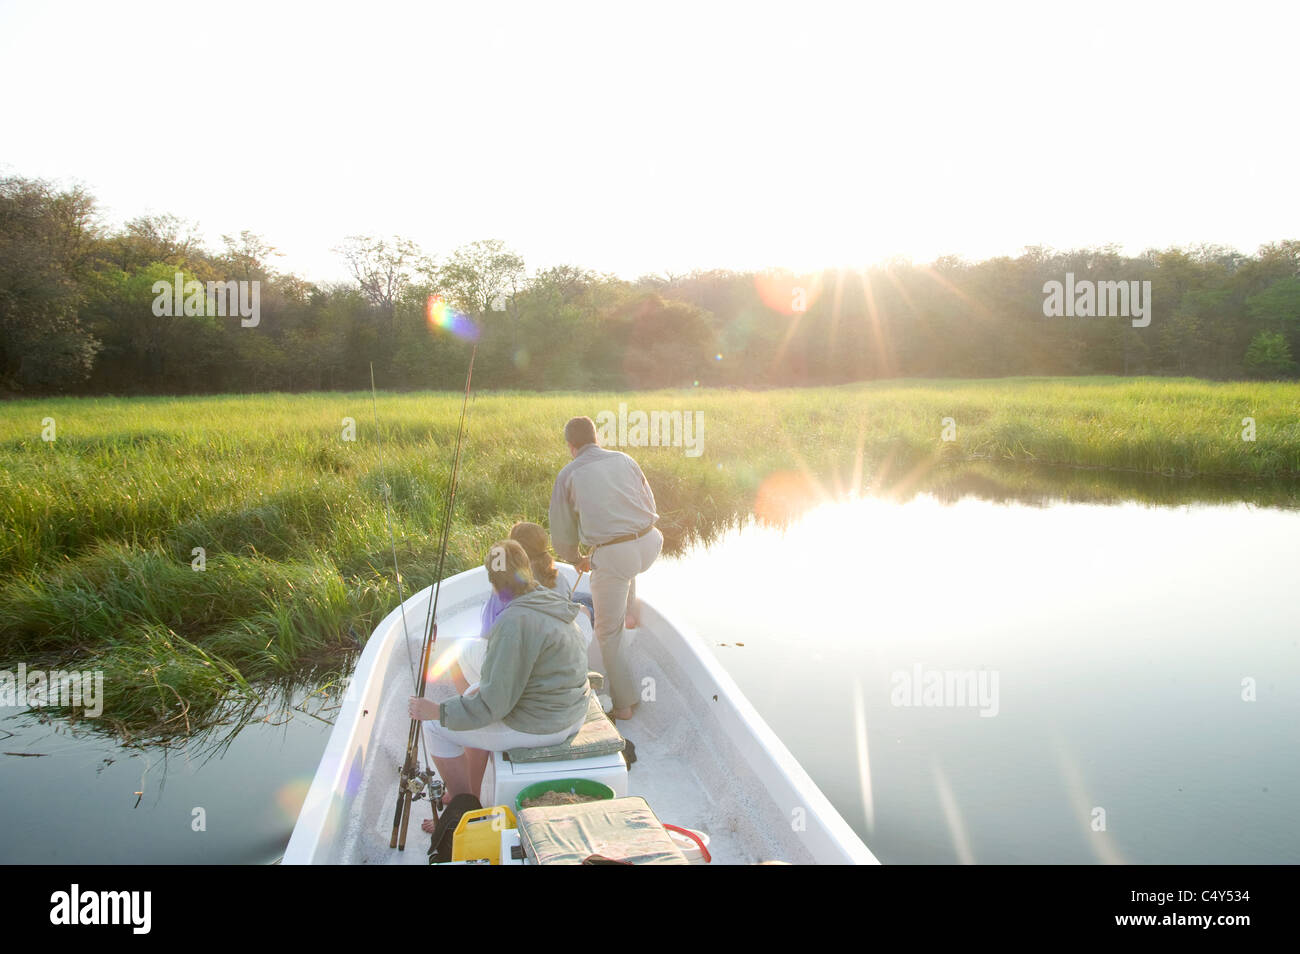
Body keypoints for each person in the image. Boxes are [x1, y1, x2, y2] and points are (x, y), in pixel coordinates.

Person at [408, 539, 590, 815]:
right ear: (526, 568)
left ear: (492, 580)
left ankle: (465, 808)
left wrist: (437, 711)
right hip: (573, 712)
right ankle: (469, 790)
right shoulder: (549, 599)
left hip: (544, 726)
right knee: (470, 697)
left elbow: (494, 706)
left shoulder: (511, 622)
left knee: (435, 728)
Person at [548, 415, 662, 720]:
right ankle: (630, 614)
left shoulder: (568, 474)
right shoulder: (625, 459)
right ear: (596, 437)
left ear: (571, 446)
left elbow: (561, 532)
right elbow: (647, 503)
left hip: (617, 556)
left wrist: (574, 558)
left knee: (606, 632)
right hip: (651, 543)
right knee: (623, 565)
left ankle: (624, 705)